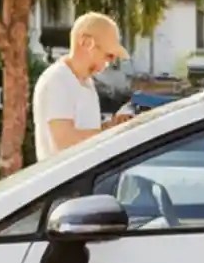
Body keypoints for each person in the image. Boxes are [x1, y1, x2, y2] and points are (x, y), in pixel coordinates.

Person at [32, 11, 135, 161]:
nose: (109, 63)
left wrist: (111, 126)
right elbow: (65, 143)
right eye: (108, 55)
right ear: (86, 43)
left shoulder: (84, 82)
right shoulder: (58, 80)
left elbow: (84, 133)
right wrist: (111, 132)